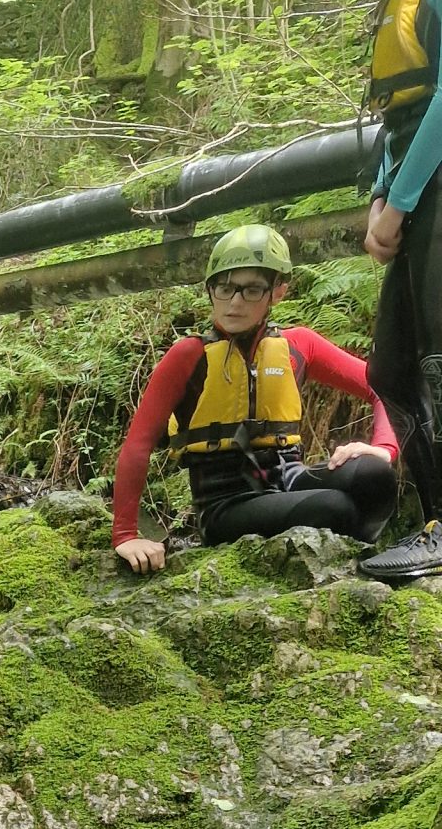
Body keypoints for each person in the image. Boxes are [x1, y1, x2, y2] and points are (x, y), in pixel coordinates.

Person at [110, 224, 399, 573]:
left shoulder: (298, 344)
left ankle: (364, 561)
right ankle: (356, 563)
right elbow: (138, 445)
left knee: (375, 474)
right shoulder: (188, 356)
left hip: (290, 479)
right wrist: (126, 534)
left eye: (251, 290)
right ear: (210, 289)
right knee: (332, 507)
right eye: (224, 288)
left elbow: (385, 388)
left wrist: (384, 447)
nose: (234, 303)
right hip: (225, 504)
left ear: (277, 291)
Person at [350, 0, 442, 581]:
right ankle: (434, 519)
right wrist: (382, 193)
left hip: (436, 189)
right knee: (390, 366)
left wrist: (401, 199)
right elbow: (400, 115)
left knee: (437, 362)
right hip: (414, 188)